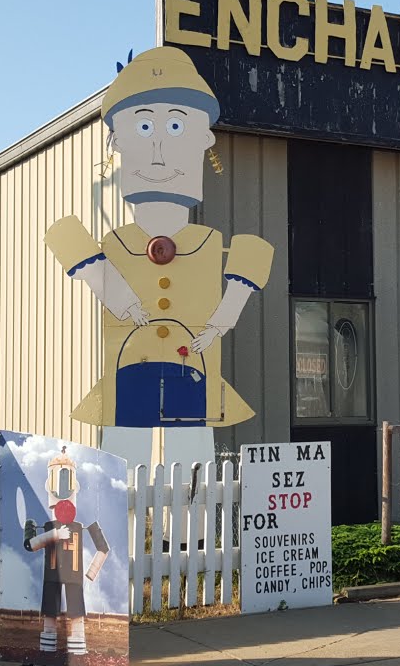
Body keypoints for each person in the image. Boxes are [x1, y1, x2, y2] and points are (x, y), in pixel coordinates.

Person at [44, 46, 272, 429]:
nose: (159, 151)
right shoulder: (111, 243)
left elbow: (248, 267)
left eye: (177, 126)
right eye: (143, 127)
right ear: (116, 142)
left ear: (205, 139)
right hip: (130, 367)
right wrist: (126, 302)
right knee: (126, 448)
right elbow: (67, 242)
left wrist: (217, 325)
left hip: (194, 369)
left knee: (192, 444)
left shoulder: (213, 243)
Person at [23, 446, 109, 656]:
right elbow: (30, 544)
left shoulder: (81, 525)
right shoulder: (48, 525)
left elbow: (103, 548)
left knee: (76, 613)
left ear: (75, 485)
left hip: (74, 575)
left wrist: (91, 572)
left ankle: (77, 650)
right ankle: (47, 651)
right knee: (50, 613)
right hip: (53, 574)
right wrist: (54, 535)